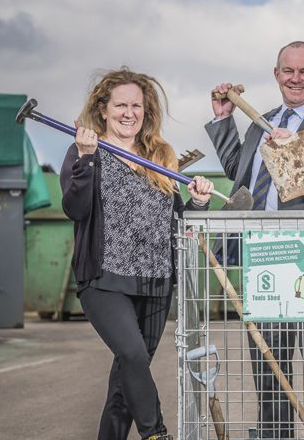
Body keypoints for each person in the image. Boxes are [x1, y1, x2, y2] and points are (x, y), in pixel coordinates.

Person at [206, 40, 304, 437]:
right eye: (288, 71)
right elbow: (242, 172)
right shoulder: (263, 120)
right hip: (265, 251)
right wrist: (224, 120)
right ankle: (275, 434)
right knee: (268, 359)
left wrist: (299, 150)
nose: (296, 78)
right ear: (276, 75)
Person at [60, 67, 214, 440]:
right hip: (105, 281)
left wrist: (198, 203)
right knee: (131, 356)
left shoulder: (160, 155)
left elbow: (177, 220)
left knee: (126, 383)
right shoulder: (86, 150)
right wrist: (86, 158)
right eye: (120, 105)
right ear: (102, 108)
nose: (129, 113)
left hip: (155, 282)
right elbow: (75, 209)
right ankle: (156, 433)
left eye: (136, 106)